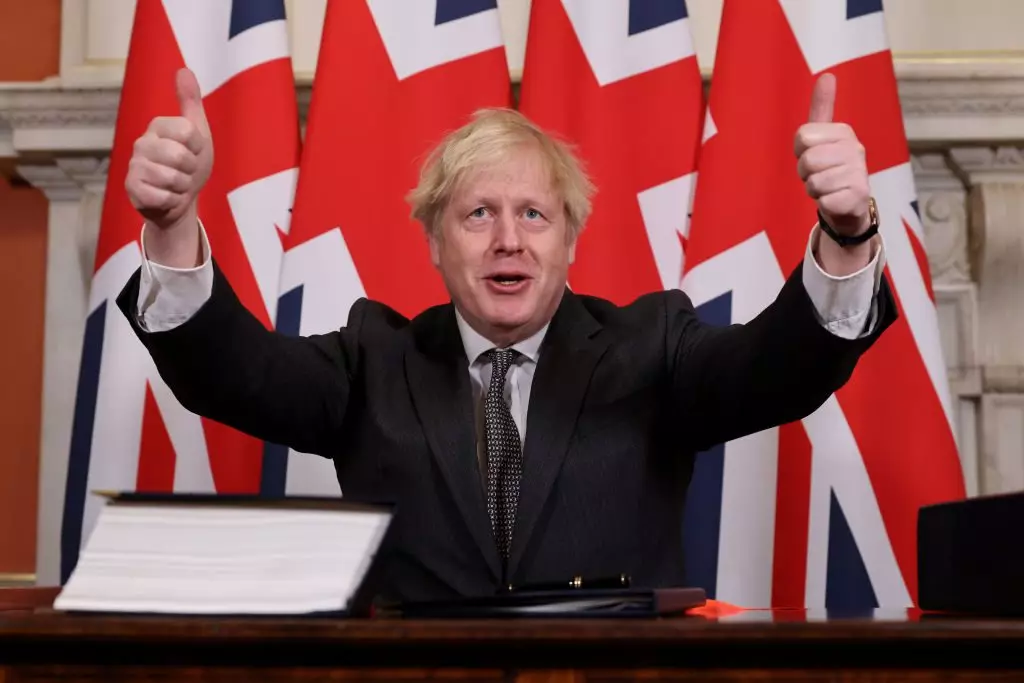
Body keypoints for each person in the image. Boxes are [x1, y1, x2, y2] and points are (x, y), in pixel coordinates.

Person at [118, 68, 895, 603]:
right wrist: (175, 223)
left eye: (533, 214)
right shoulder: (371, 357)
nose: (508, 241)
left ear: (571, 242)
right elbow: (231, 370)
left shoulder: (653, 348)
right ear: (435, 241)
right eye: (477, 214)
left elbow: (781, 367)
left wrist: (846, 232)